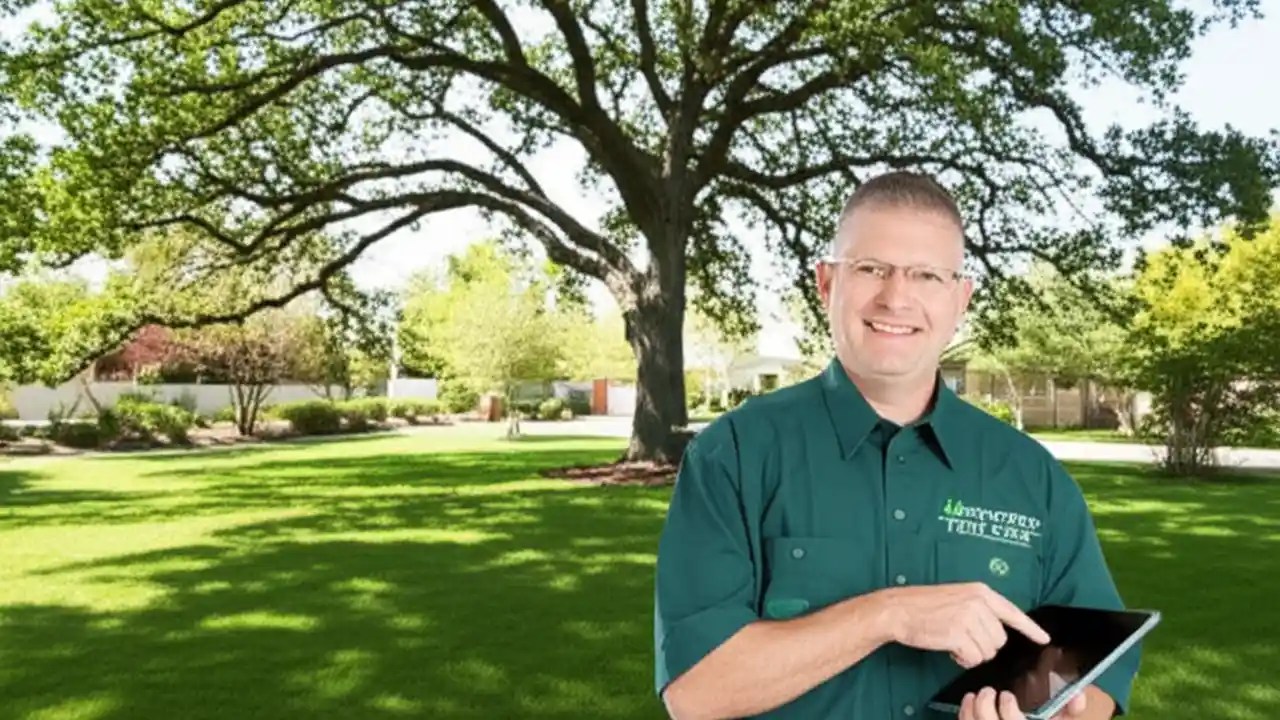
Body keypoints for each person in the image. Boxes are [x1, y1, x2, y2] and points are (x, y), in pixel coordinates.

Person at [652, 171, 1140, 720]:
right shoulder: (735, 454)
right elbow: (696, 692)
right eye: (870, 269)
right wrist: (888, 615)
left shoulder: (1032, 476)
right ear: (826, 282)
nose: (896, 297)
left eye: (927, 275)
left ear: (961, 298)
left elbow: (1098, 676)